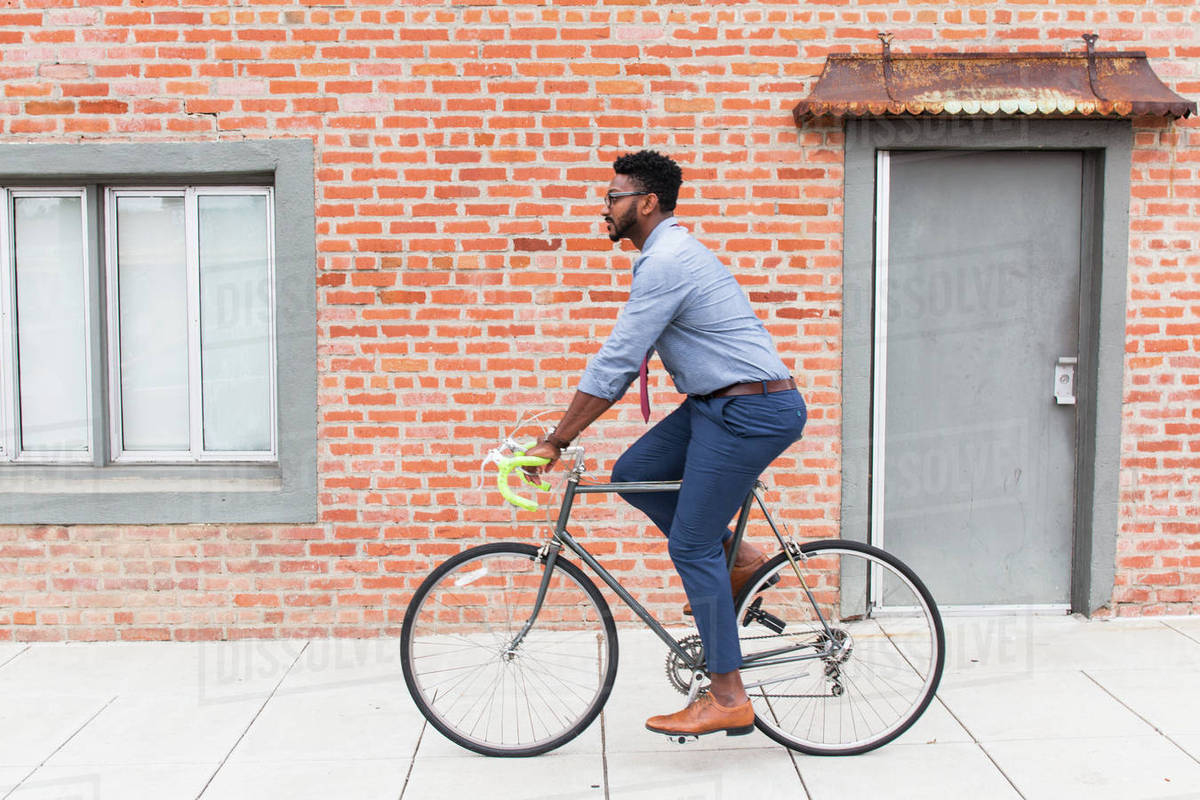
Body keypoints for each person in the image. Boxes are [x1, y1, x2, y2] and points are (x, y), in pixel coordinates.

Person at [523, 150, 806, 738]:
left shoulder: (668, 261)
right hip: (717, 403)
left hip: (749, 409)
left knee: (691, 544)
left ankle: (728, 695)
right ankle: (744, 559)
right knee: (635, 470)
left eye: (612, 198)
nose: (604, 208)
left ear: (646, 203)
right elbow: (625, 360)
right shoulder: (664, 256)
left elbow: (620, 361)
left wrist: (556, 440)